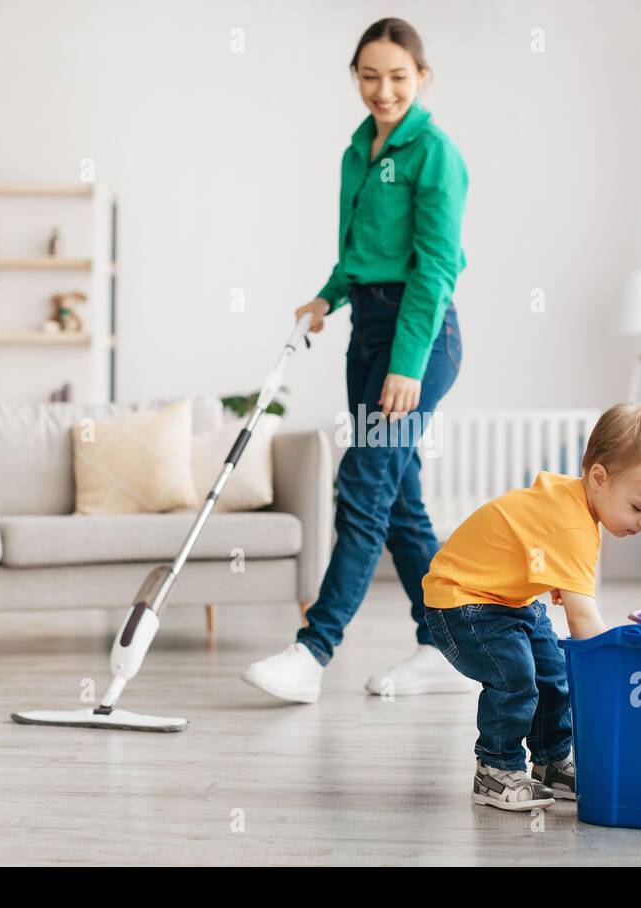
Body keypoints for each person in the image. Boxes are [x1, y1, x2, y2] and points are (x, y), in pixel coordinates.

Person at [244, 18, 472, 703]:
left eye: (398, 76)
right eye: (370, 76)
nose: (383, 89)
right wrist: (325, 297)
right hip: (367, 332)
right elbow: (362, 256)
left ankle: (313, 652)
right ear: (356, 77)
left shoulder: (434, 152)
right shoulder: (358, 150)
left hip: (421, 340)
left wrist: (407, 363)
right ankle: (449, 646)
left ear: (422, 77)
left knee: (363, 484)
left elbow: (433, 268)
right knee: (401, 506)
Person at [421, 404, 641, 811]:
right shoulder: (572, 526)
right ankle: (495, 771)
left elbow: (534, 547)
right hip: (464, 602)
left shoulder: (579, 505)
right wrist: (620, 674)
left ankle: (551, 762)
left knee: (553, 673)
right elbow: (584, 621)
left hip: (510, 598)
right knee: (516, 679)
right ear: (599, 478)